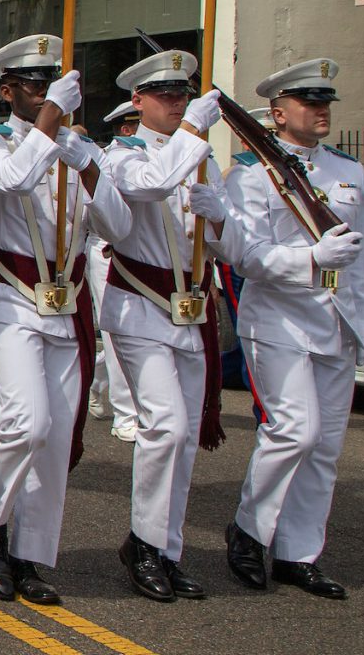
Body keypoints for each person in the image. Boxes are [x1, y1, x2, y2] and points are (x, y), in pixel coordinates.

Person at [0, 34, 129, 607]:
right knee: (26, 425)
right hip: (12, 302)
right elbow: (10, 180)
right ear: (8, 90)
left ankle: (28, 554)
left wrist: (89, 169)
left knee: (55, 440)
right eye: (34, 85)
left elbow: (117, 229)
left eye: (51, 84)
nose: (43, 93)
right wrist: (53, 121)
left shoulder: (78, 148)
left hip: (68, 306)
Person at [223, 58, 364, 601]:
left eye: (324, 102)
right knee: (295, 431)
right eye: (309, 103)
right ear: (277, 112)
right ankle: (247, 529)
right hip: (282, 318)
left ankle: (298, 553)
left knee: (325, 448)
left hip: (336, 322)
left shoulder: (348, 171)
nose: (320, 111)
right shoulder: (249, 172)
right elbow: (246, 255)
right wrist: (312, 257)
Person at [90, 52, 230, 603]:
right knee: (165, 426)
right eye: (164, 94)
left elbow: (224, 245)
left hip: (192, 311)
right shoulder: (120, 154)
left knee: (187, 439)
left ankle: (167, 550)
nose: (175, 102)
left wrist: (217, 213)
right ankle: (144, 545)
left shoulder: (202, 159)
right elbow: (150, 184)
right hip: (140, 308)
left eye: (182, 94)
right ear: (138, 101)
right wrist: (194, 129)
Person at [89, 102, 143, 441]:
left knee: (135, 334)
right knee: (116, 329)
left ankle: (96, 380)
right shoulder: (111, 158)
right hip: (106, 248)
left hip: (145, 252)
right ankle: (125, 412)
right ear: (126, 129)